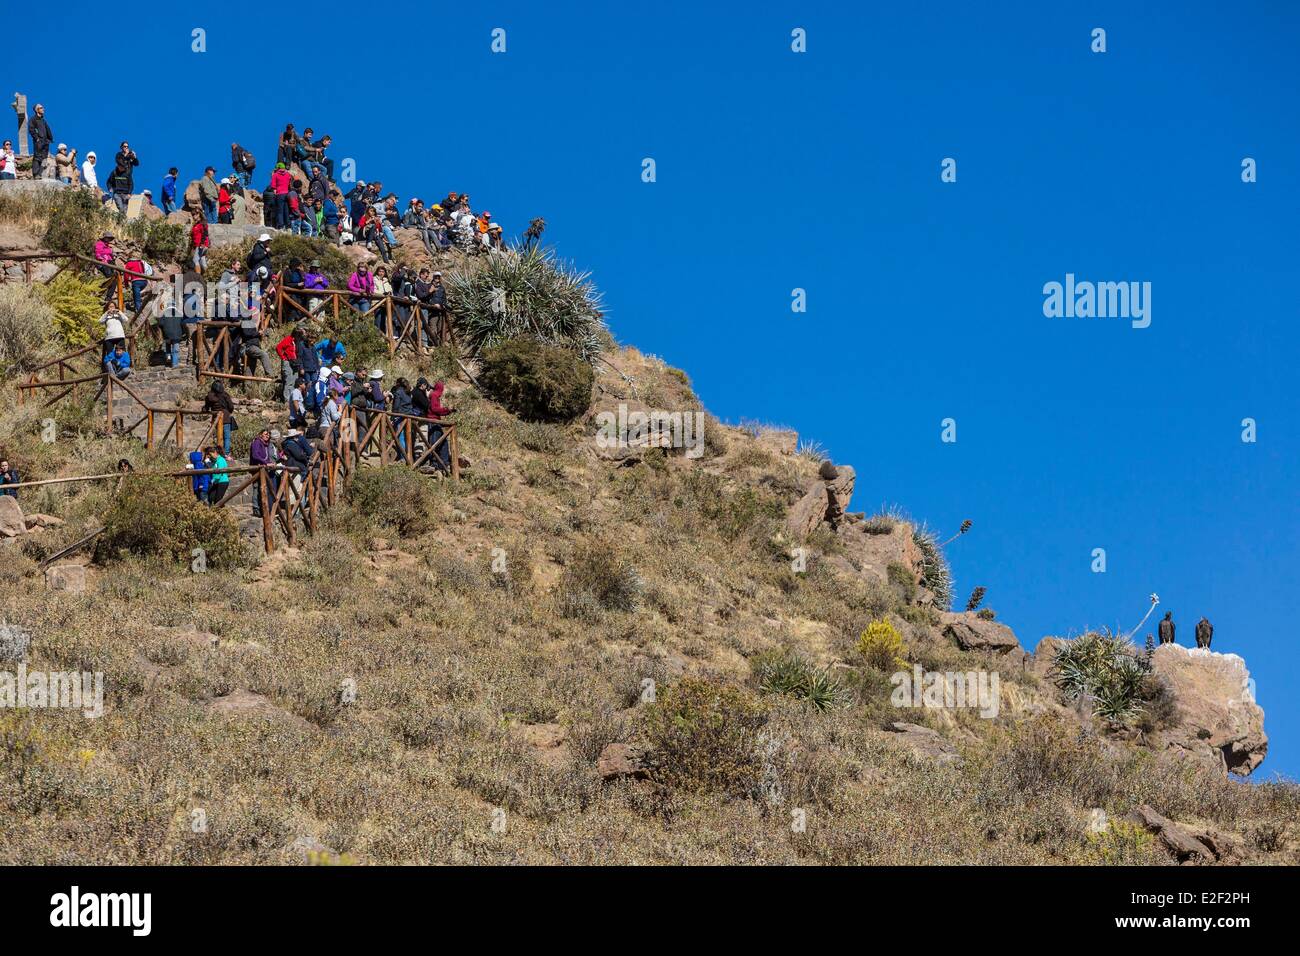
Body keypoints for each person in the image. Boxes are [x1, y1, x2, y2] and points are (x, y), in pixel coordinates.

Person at [424, 380, 454, 472]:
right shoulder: (434, 395)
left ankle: (444, 463)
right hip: (433, 420)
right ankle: (434, 463)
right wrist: (446, 410)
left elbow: (436, 409)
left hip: (436, 420)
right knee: (434, 442)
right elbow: (434, 409)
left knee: (443, 442)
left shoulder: (435, 395)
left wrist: (447, 411)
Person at [203, 380, 237, 456]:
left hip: (216, 418)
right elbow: (231, 406)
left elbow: (206, 407)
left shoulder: (209, 396)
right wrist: (228, 412)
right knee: (227, 437)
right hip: (225, 418)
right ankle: (226, 454)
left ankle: (218, 453)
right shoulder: (225, 395)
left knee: (218, 436)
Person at [157, 297, 185, 368]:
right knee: (175, 349)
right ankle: (175, 364)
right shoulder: (179, 313)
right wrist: (183, 333)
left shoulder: (164, 313)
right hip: (177, 334)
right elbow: (183, 324)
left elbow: (160, 323)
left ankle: (168, 356)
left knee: (168, 344)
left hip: (167, 334)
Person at [29, 103, 53, 179]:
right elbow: (31, 129)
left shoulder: (43, 120)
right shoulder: (33, 119)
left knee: (43, 158)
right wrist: (37, 138)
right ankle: (36, 174)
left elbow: (47, 130)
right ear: (37, 110)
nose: (43, 109)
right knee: (37, 157)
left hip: (45, 142)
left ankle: (39, 174)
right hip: (39, 141)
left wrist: (49, 139)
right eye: (41, 108)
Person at [270, 162, 292, 229]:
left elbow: (273, 187)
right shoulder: (288, 174)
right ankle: (288, 225)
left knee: (280, 211)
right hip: (287, 194)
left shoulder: (275, 175)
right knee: (286, 210)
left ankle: (281, 225)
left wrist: (275, 195)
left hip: (280, 194)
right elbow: (289, 184)